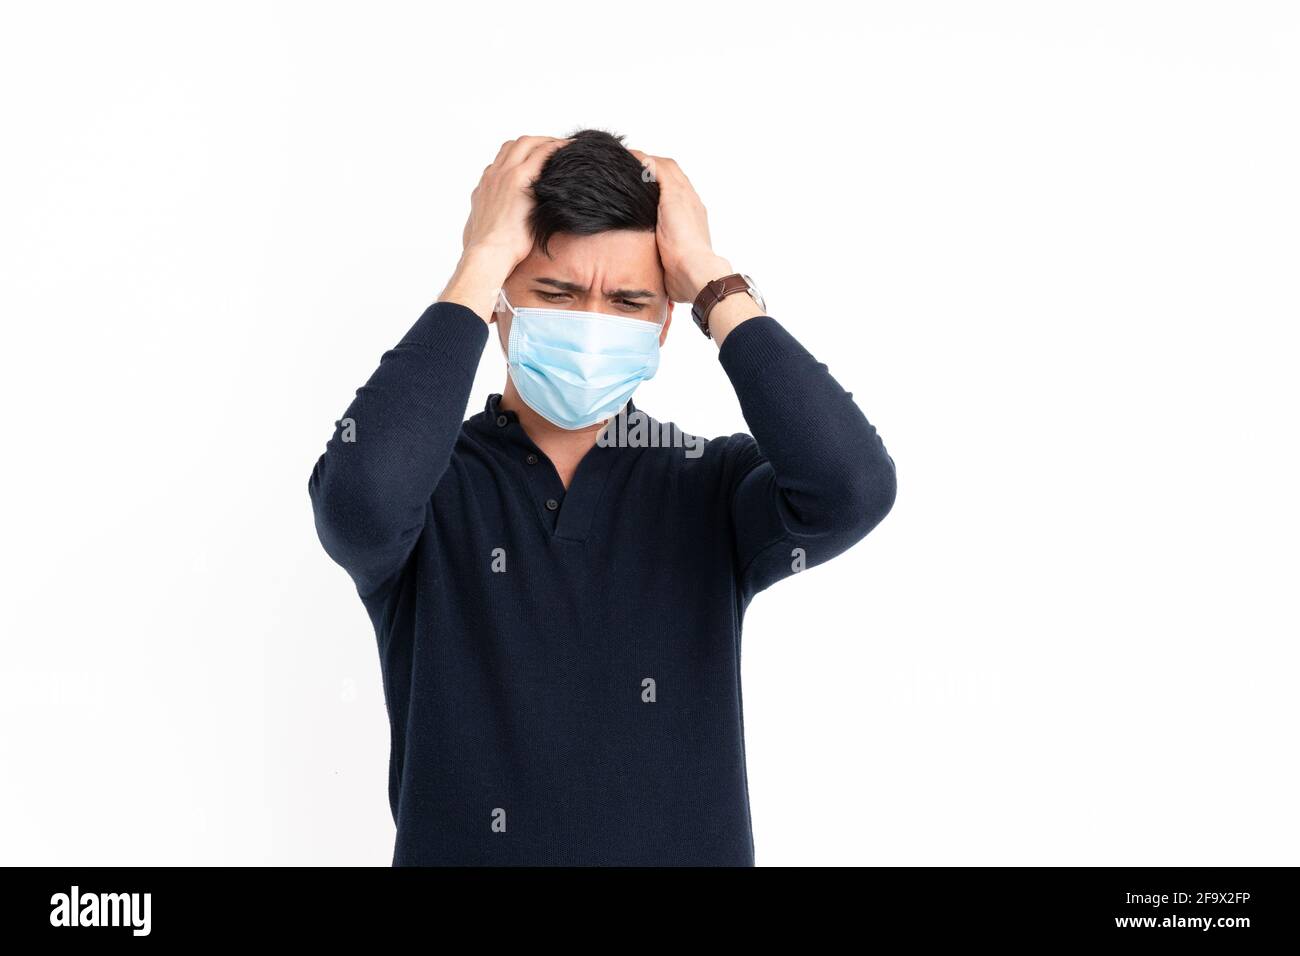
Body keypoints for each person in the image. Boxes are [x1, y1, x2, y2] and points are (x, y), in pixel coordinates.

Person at [308, 129, 897, 865]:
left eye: (627, 301)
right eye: (555, 293)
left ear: (662, 327)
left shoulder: (705, 487)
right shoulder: (429, 489)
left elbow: (851, 487)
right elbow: (357, 504)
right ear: (500, 304)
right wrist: (481, 257)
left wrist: (711, 278)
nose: (590, 324)